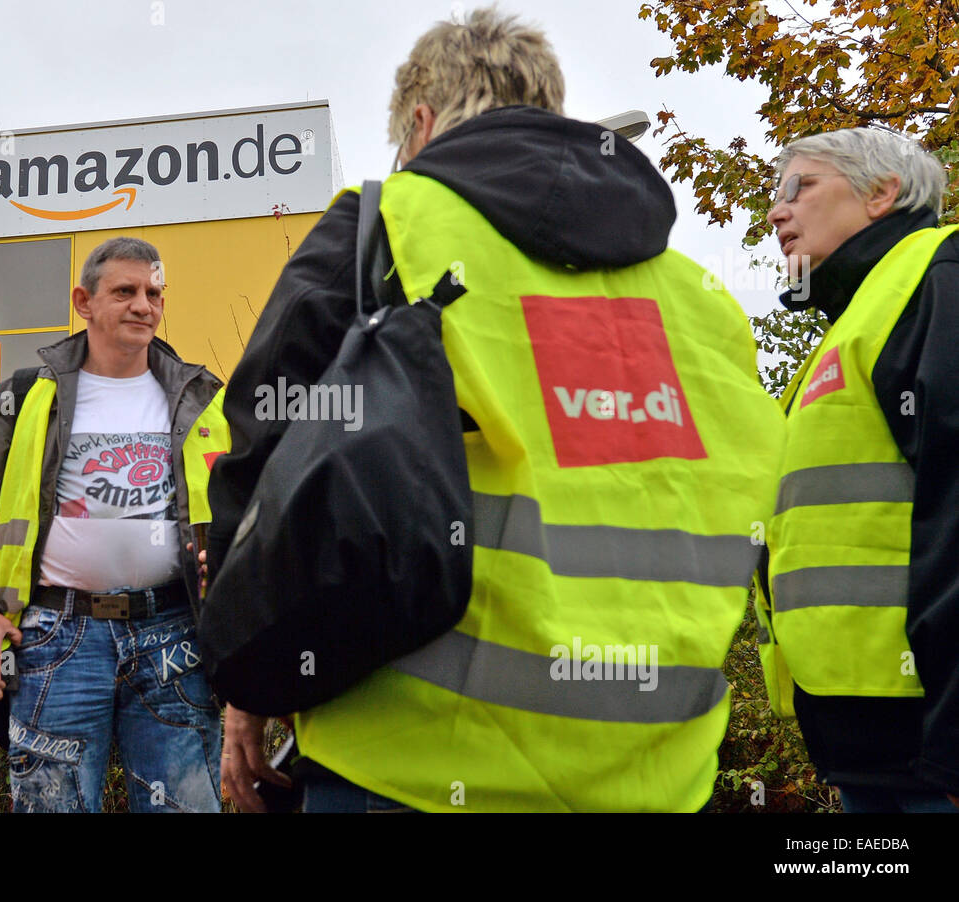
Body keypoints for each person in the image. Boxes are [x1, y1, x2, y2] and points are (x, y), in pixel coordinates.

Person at [207, 8, 786, 812]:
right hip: (656, 768)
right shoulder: (697, 296)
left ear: (420, 121)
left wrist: (248, 678)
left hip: (410, 755)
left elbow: (266, 457)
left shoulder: (387, 225)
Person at [0, 237, 230, 812]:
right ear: (83, 300)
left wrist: (228, 563)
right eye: (124, 291)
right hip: (56, 637)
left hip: (175, 633)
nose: (143, 305)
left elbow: (246, 515)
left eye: (154, 292)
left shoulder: (203, 398)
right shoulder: (24, 396)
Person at [756, 127, 959, 813]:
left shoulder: (936, 279)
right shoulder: (854, 324)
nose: (776, 213)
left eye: (799, 188)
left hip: (933, 755)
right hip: (874, 756)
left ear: (883, 193)